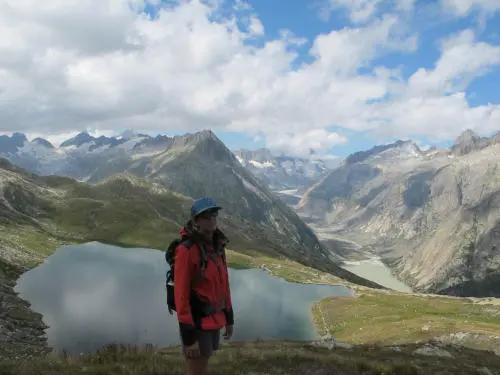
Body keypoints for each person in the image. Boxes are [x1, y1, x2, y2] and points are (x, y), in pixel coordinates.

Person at [174, 197, 234, 375]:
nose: (212, 219)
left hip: (214, 319)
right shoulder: (186, 250)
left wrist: (229, 318)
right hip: (197, 323)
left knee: (203, 366)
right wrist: (189, 337)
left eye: (214, 214)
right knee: (196, 370)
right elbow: (181, 295)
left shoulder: (218, 246)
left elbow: (224, 285)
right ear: (196, 221)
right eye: (206, 216)